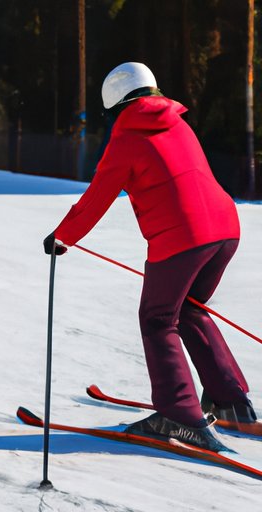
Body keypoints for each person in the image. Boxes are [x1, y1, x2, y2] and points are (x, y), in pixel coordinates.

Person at [43, 62, 257, 452]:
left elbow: (96, 198)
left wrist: (63, 237)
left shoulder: (126, 139)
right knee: (190, 308)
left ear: (115, 103)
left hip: (183, 239)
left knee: (158, 318)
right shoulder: (179, 123)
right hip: (226, 229)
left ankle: (178, 414)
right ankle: (231, 402)